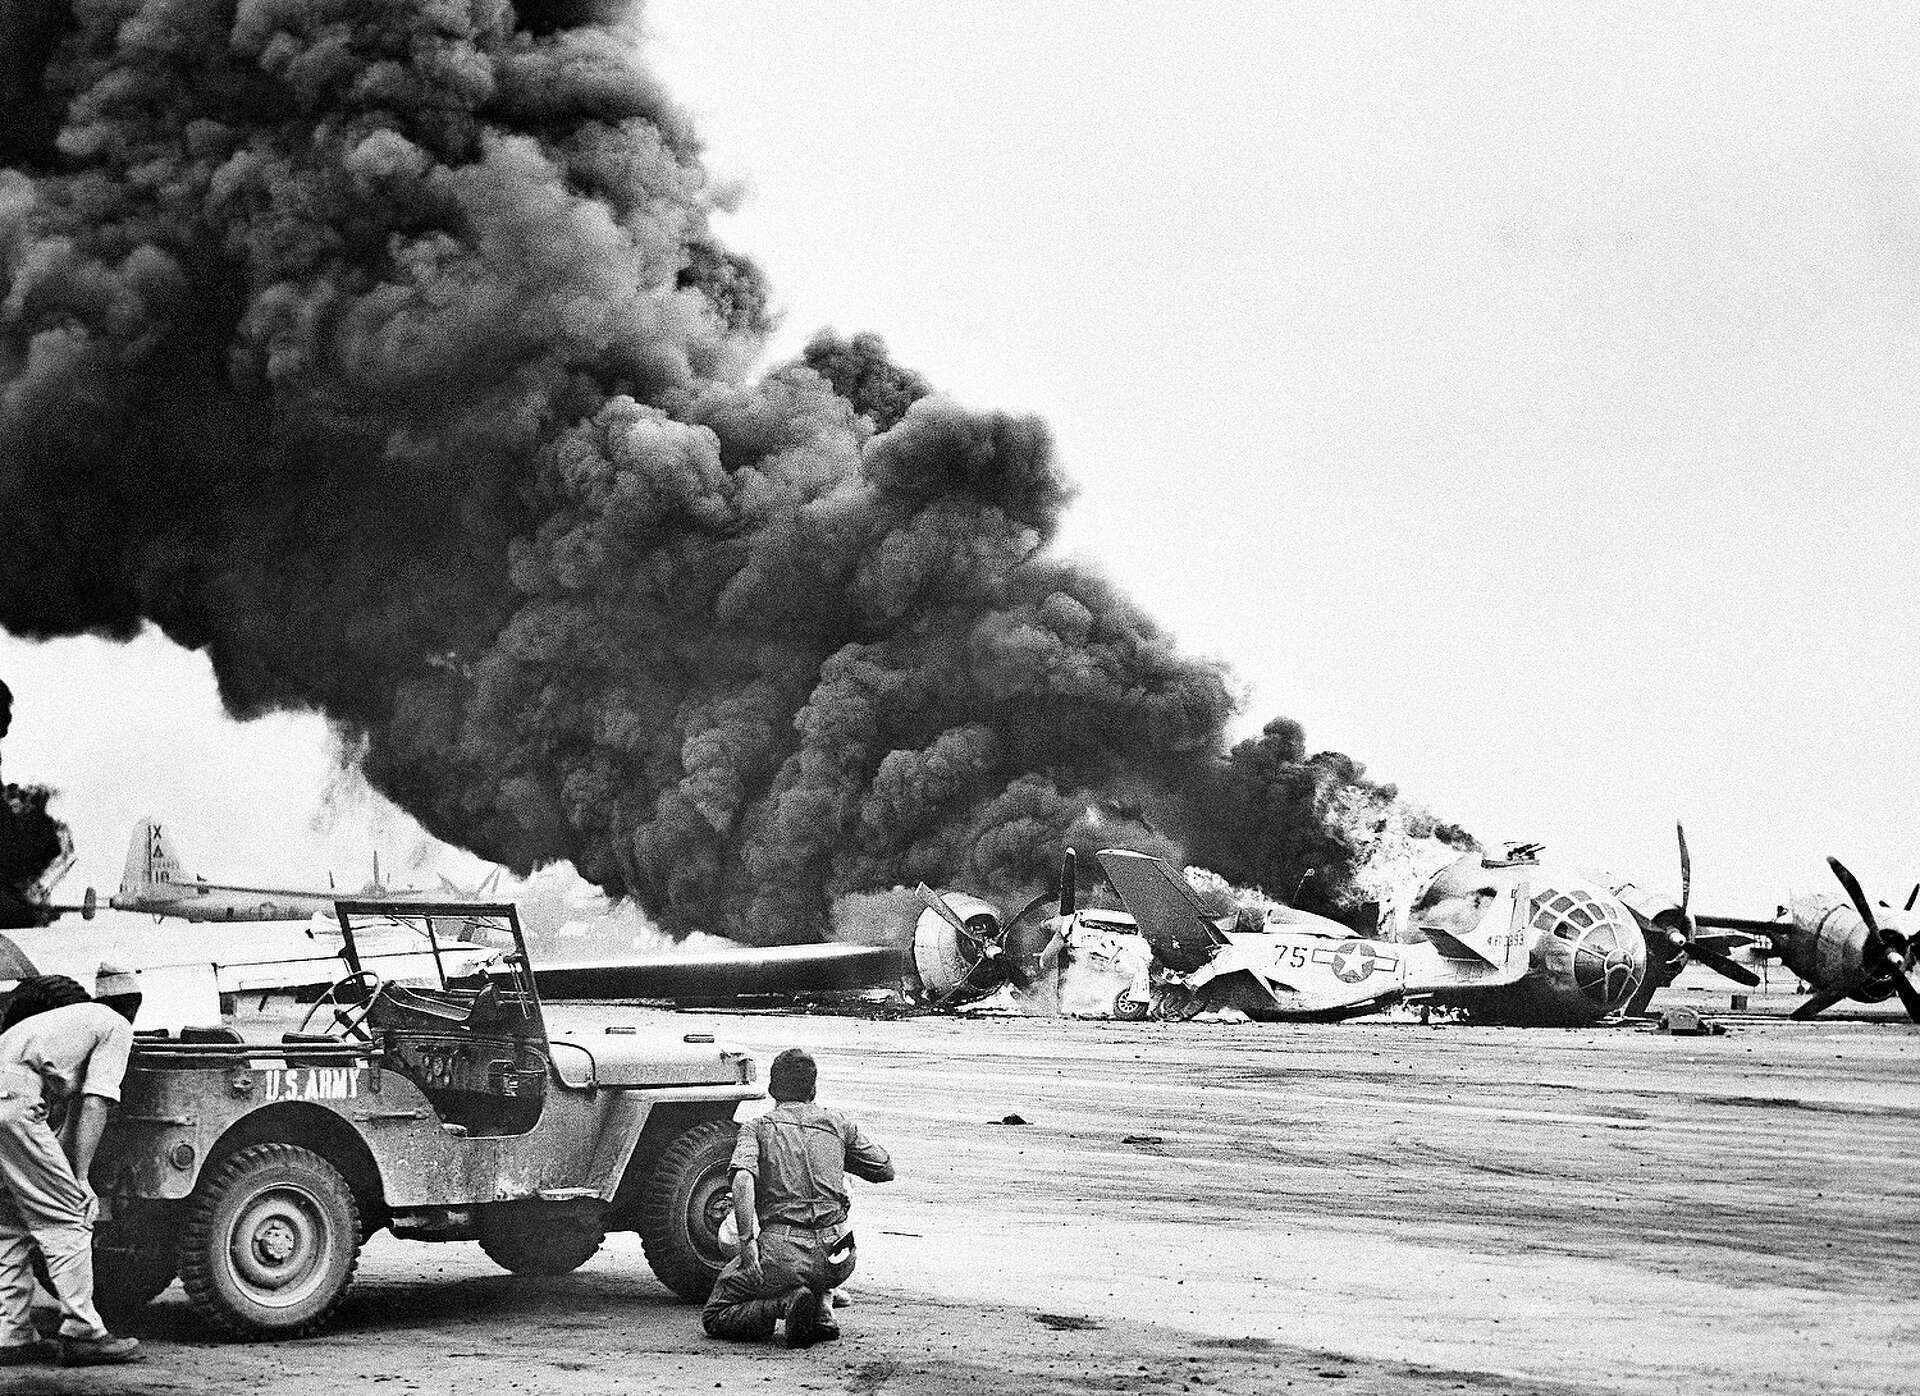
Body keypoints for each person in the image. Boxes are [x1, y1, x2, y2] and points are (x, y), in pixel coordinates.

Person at [703, 1047, 894, 1348]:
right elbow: (885, 1169)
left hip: (786, 1254)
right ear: (813, 1088)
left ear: (771, 1089)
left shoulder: (758, 1128)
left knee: (716, 1314)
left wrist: (747, 1243)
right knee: (830, 1225)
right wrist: (837, 1153)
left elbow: (742, 1178)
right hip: (840, 1257)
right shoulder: (838, 1124)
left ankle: (786, 1303)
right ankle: (820, 1310)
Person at [0, 965, 144, 1366]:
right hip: (12, 1103)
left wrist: (61, 1167)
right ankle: (83, 1332)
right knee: (66, 1217)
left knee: (9, 1222)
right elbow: (96, 1102)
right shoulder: (116, 1026)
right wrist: (78, 1179)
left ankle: (11, 1335)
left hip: (7, 1098)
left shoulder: (66, 1020)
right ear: (133, 1006)